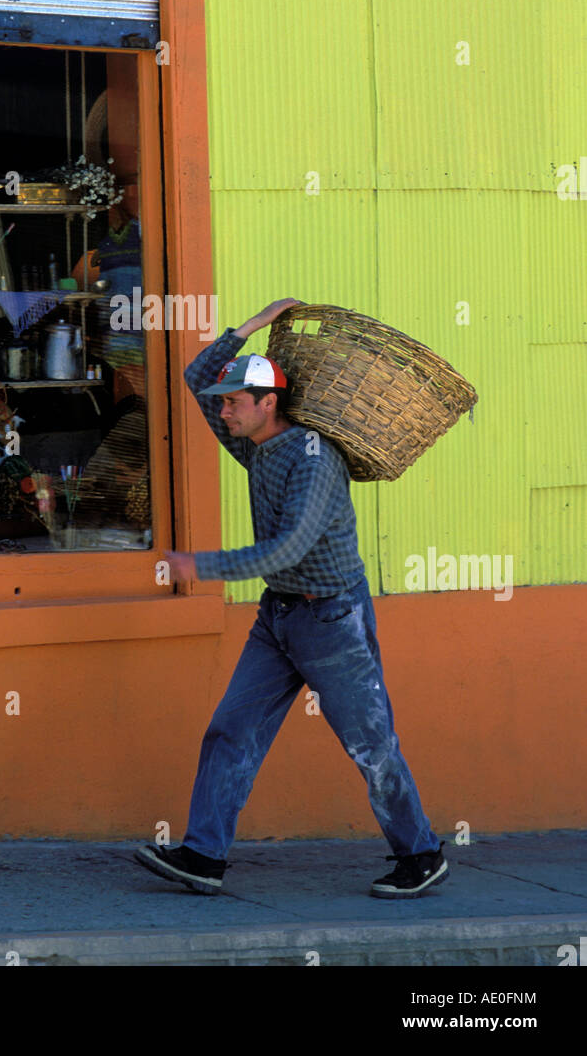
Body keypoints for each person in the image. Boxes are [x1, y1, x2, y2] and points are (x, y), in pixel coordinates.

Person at [133, 298, 447, 899]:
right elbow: (196, 376)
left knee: (370, 746)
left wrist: (201, 565)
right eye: (224, 403)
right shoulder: (253, 443)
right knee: (231, 731)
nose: (222, 409)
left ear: (267, 403)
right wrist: (253, 326)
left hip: (332, 618)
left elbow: (286, 550)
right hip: (278, 617)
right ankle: (203, 856)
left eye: (234, 401)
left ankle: (423, 854)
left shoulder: (312, 459)